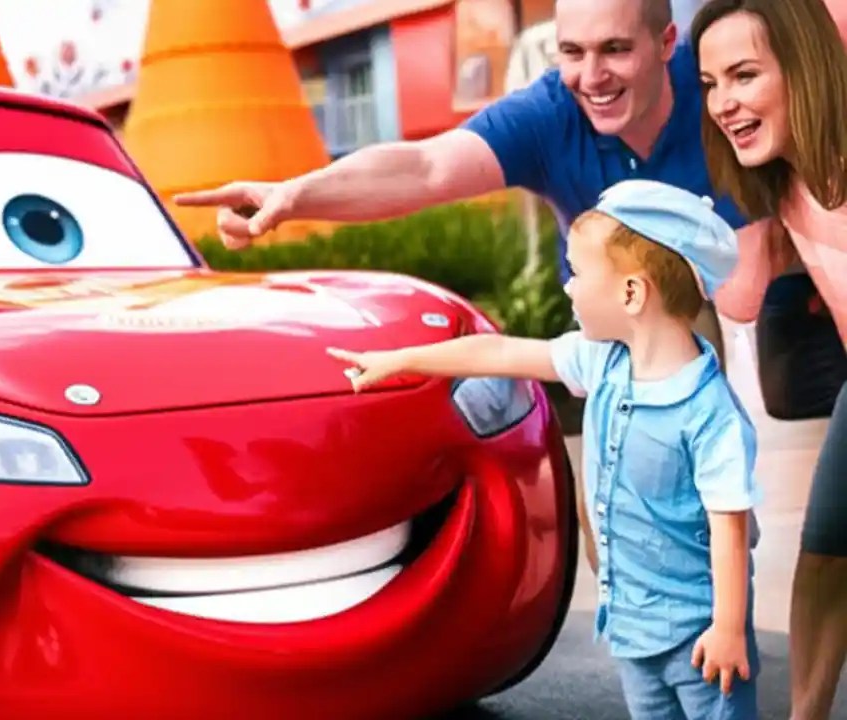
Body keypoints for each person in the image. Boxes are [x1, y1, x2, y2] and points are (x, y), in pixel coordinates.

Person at [174, 0, 742, 576]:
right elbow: (426, 167)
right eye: (572, 52)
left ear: (665, 44)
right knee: (618, 521)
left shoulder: (716, 81)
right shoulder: (551, 114)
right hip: (618, 331)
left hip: (713, 317)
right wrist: (296, 195)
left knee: (709, 502)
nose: (592, 76)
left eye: (615, 49)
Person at [328, 179, 761, 719]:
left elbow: (729, 528)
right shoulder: (604, 362)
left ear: (631, 294)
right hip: (633, 627)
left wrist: (727, 628)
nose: (567, 287)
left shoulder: (709, 414)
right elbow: (500, 353)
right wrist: (402, 359)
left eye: (577, 273)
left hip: (701, 636)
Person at [693, 1, 847, 717]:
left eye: (744, 75)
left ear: (804, 67)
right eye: (711, 84)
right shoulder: (780, 187)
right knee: (825, 554)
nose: (723, 102)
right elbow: (738, 298)